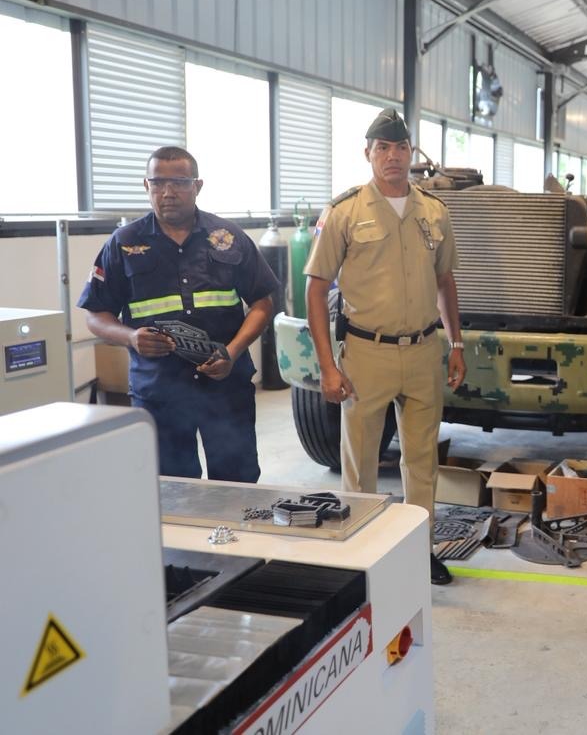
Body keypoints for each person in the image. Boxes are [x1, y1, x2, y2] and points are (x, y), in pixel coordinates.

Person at [304, 108, 466, 587]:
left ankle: (419, 549)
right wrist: (327, 366)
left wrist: (456, 343)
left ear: (410, 153)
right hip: (366, 353)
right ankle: (361, 555)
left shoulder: (433, 211)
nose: (392, 157)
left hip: (422, 352)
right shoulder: (345, 211)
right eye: (382, 149)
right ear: (368, 154)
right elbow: (316, 289)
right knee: (358, 464)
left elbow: (446, 280)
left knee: (421, 461)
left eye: (400, 148)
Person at [79, 146, 278, 482]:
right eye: (158, 183)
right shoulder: (123, 243)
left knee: (238, 483)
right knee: (171, 488)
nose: (168, 192)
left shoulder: (228, 238)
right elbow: (95, 314)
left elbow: (262, 303)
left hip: (225, 386)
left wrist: (232, 351)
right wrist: (131, 337)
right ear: (146, 185)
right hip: (160, 391)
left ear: (197, 186)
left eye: (179, 182)